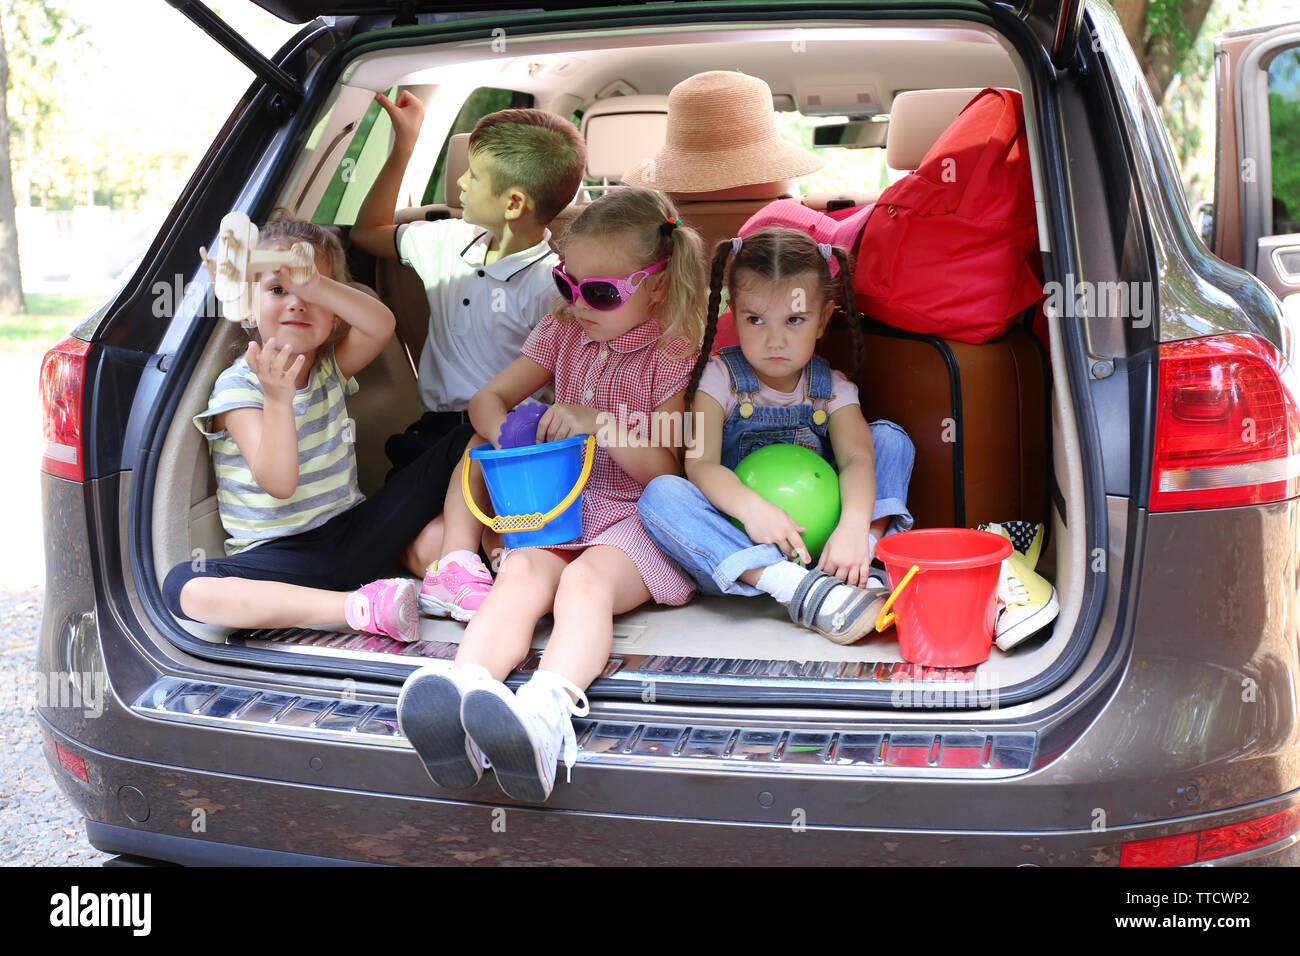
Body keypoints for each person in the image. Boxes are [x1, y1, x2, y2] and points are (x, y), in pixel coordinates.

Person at [396, 186, 706, 803]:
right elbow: (487, 399)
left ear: (658, 285)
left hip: (638, 517)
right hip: (562, 501)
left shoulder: (675, 351)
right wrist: (508, 432)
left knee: (582, 584)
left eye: (600, 293)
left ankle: (547, 714)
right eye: (568, 283)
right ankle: (462, 698)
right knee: (525, 572)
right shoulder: (562, 331)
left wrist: (600, 423)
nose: (579, 303)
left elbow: (668, 469)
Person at [162, 214, 473, 643]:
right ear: (250, 308)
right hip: (282, 559)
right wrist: (278, 399)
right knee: (183, 586)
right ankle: (359, 608)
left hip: (353, 532)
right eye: (277, 290)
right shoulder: (238, 387)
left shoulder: (329, 366)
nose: (296, 302)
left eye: (310, 292)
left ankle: (456, 566)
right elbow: (278, 482)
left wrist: (316, 283)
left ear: (336, 317)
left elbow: (381, 324)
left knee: (465, 435)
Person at [636, 226, 915, 644]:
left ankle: (865, 562)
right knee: (662, 494)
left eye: (795, 320)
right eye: (755, 319)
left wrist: (854, 527)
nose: (774, 339)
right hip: (740, 547)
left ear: (822, 319)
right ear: (734, 313)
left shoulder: (833, 388)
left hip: (829, 546)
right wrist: (751, 510)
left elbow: (857, 458)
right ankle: (791, 585)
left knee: (889, 439)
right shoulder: (719, 379)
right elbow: (700, 463)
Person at [351, 97, 586, 464]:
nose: (460, 181)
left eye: (473, 175)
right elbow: (366, 233)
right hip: (433, 434)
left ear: (513, 205)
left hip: (504, 439)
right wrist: (404, 146)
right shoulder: (447, 239)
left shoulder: (551, 287)